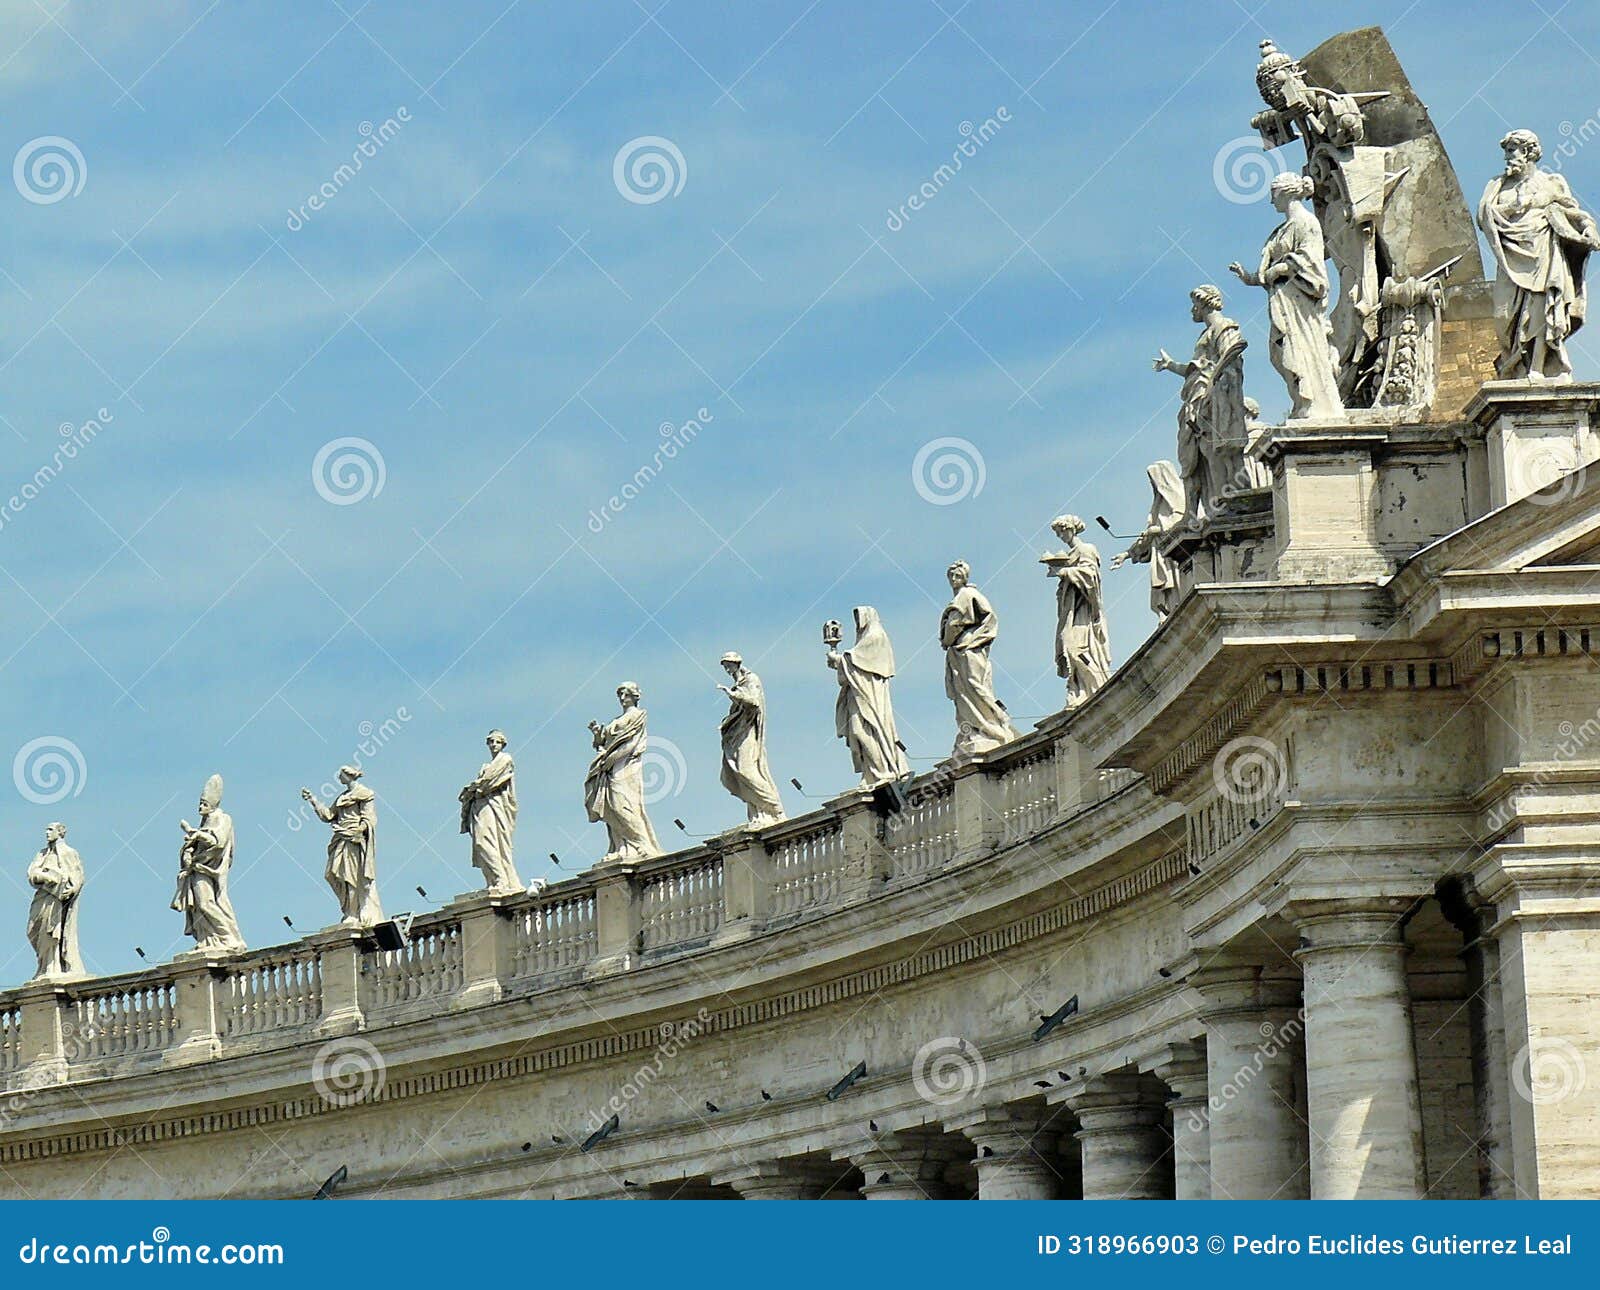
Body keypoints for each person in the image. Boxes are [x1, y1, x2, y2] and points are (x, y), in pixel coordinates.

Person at [1478, 129, 1600, 381]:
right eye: (1507, 151)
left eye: (1512, 150)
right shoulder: (1497, 185)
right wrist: (1515, 205)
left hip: (1544, 252)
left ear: (1528, 152)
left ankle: (1538, 367)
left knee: (1541, 310)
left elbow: (1572, 212)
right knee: (1504, 318)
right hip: (1510, 257)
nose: (1507, 157)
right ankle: (1514, 362)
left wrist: (1589, 227)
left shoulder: (1550, 183)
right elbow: (1484, 218)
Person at [1230, 172, 1344, 419]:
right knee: (1278, 352)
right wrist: (1250, 277)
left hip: (1300, 303)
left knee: (1299, 348)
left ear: (1285, 193)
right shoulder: (1283, 229)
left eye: (1273, 195)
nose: (1272, 201)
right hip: (1283, 301)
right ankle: (1302, 400)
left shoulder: (1307, 223)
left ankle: (1315, 404)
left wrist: (1280, 268)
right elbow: (1267, 273)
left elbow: (1311, 263)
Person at [1153, 285, 1249, 521]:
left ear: (1203, 303)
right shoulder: (1206, 333)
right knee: (1198, 452)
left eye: (1194, 305)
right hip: (1198, 397)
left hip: (1210, 398)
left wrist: (1213, 390)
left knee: (1212, 448)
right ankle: (1212, 503)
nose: (1191, 311)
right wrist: (1171, 365)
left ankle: (1224, 500)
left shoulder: (1223, 326)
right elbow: (1194, 369)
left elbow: (1232, 353)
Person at [939, 561, 1020, 762]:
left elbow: (990, 618)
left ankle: (995, 725)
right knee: (962, 693)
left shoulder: (969, 595)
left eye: (957, 576)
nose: (953, 580)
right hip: (957, 651)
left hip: (968, 650)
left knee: (975, 687)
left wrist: (976, 639)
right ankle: (973, 729)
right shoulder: (959, 597)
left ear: (964, 577)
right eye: (950, 577)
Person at [828, 607, 911, 789]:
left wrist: (839, 660)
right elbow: (855, 664)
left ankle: (882, 771)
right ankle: (871, 771)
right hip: (858, 695)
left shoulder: (876, 636)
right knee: (858, 733)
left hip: (871, 698)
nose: (858, 623)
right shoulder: (864, 640)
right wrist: (840, 661)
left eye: (859, 618)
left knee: (862, 731)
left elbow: (857, 661)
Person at [585, 683, 663, 863]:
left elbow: (631, 744)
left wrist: (611, 759)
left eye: (625, 694)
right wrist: (596, 733)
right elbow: (600, 744)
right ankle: (621, 847)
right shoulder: (616, 720)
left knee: (624, 804)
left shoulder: (638, 716)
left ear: (635, 696)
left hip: (626, 767)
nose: (622, 698)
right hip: (609, 769)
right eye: (619, 694)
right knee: (610, 806)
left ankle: (641, 844)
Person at [1042, 515, 1112, 707]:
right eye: (1058, 533)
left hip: (1084, 613)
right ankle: (1080, 689)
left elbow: (1091, 577)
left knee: (1077, 649)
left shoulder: (1086, 549)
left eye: (1062, 531)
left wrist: (1065, 572)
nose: (1060, 535)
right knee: (1068, 648)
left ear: (1072, 529)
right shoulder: (1069, 554)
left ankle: (1096, 688)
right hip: (1071, 612)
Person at [172, 774, 246, 954]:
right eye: (200, 802)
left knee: (206, 903)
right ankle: (208, 939)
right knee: (200, 906)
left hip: (209, 869)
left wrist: (197, 835)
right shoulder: (204, 821)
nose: (200, 806)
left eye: (204, 803)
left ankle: (228, 937)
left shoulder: (223, 818)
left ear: (214, 804)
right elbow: (195, 846)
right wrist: (188, 849)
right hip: (197, 869)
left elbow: (218, 841)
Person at [303, 767, 383, 927]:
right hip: (340, 838)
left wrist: (357, 831)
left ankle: (353, 913)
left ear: (349, 776)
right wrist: (313, 800)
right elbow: (328, 815)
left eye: (341, 775)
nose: (339, 778)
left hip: (353, 839)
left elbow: (369, 818)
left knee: (350, 877)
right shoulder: (343, 796)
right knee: (332, 874)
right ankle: (348, 909)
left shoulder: (365, 793)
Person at [1110, 462, 1187, 621]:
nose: (1152, 483)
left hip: (1177, 555)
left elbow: (1182, 520)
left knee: (1180, 589)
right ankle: (1172, 615)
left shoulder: (1179, 497)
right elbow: (1145, 540)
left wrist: (1157, 530)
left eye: (1153, 479)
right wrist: (1126, 554)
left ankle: (1180, 614)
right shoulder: (1157, 506)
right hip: (1162, 557)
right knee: (1167, 596)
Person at [717, 653, 786, 828]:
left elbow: (753, 702)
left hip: (749, 733)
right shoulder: (739, 683)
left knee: (747, 770)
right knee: (739, 772)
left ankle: (774, 807)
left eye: (729, 665)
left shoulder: (751, 679)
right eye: (724, 665)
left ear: (737, 663)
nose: (727, 669)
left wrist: (732, 694)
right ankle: (759, 813)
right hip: (738, 732)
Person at [460, 730, 523, 894]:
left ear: (503, 744)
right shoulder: (485, 766)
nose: (493, 745)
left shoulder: (506, 759)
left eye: (497, 741)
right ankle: (492, 880)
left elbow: (490, 781)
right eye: (491, 742)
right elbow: (485, 782)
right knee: (481, 843)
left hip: (494, 806)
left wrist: (474, 787)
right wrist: (474, 790)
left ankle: (501, 879)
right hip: (480, 806)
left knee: (488, 841)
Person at [25, 822, 84, 980]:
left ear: (60, 832)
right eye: (46, 829)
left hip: (57, 899)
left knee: (52, 930)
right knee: (33, 930)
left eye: (50, 830)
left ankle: (52, 967)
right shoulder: (42, 854)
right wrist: (43, 876)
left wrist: (71, 889)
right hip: (42, 897)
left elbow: (77, 875)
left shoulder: (68, 853)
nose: (47, 832)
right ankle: (44, 965)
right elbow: (31, 873)